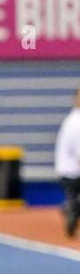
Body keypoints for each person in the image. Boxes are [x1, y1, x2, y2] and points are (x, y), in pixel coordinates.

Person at [54, 87, 80, 237]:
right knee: (74, 198)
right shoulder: (75, 122)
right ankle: (71, 209)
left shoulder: (72, 119)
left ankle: (70, 208)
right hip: (72, 171)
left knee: (73, 198)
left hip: (69, 170)